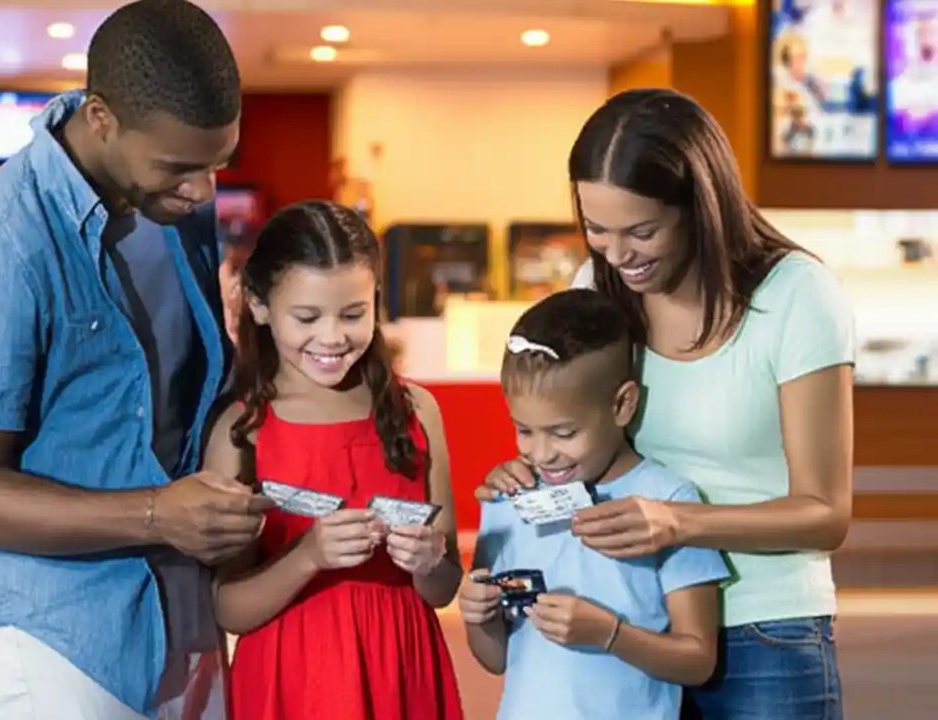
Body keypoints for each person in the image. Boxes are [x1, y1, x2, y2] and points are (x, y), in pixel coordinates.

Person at [0, 1, 274, 718]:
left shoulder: (176, 205)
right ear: (101, 118)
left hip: (181, 608)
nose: (202, 190)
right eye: (179, 167)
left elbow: (190, 394)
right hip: (57, 630)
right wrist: (157, 514)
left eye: (216, 164)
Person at [482, 88, 855, 719]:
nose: (617, 253)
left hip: (765, 630)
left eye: (642, 231)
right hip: (634, 627)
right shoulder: (598, 287)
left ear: (699, 208)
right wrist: (527, 473)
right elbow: (585, 440)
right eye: (596, 228)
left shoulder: (796, 294)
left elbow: (825, 513)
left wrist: (679, 522)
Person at [203, 200, 465, 719]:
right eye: (306, 317)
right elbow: (228, 608)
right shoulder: (242, 429)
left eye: (353, 314)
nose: (332, 337)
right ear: (259, 305)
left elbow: (444, 587)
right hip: (292, 677)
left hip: (402, 670)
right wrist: (308, 556)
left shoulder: (417, 412)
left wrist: (428, 562)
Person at [459, 288, 729, 720]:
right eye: (525, 430)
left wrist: (610, 634)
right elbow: (496, 659)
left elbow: (698, 660)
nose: (543, 453)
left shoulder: (670, 504)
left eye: (564, 433)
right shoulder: (507, 501)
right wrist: (478, 617)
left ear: (623, 404)